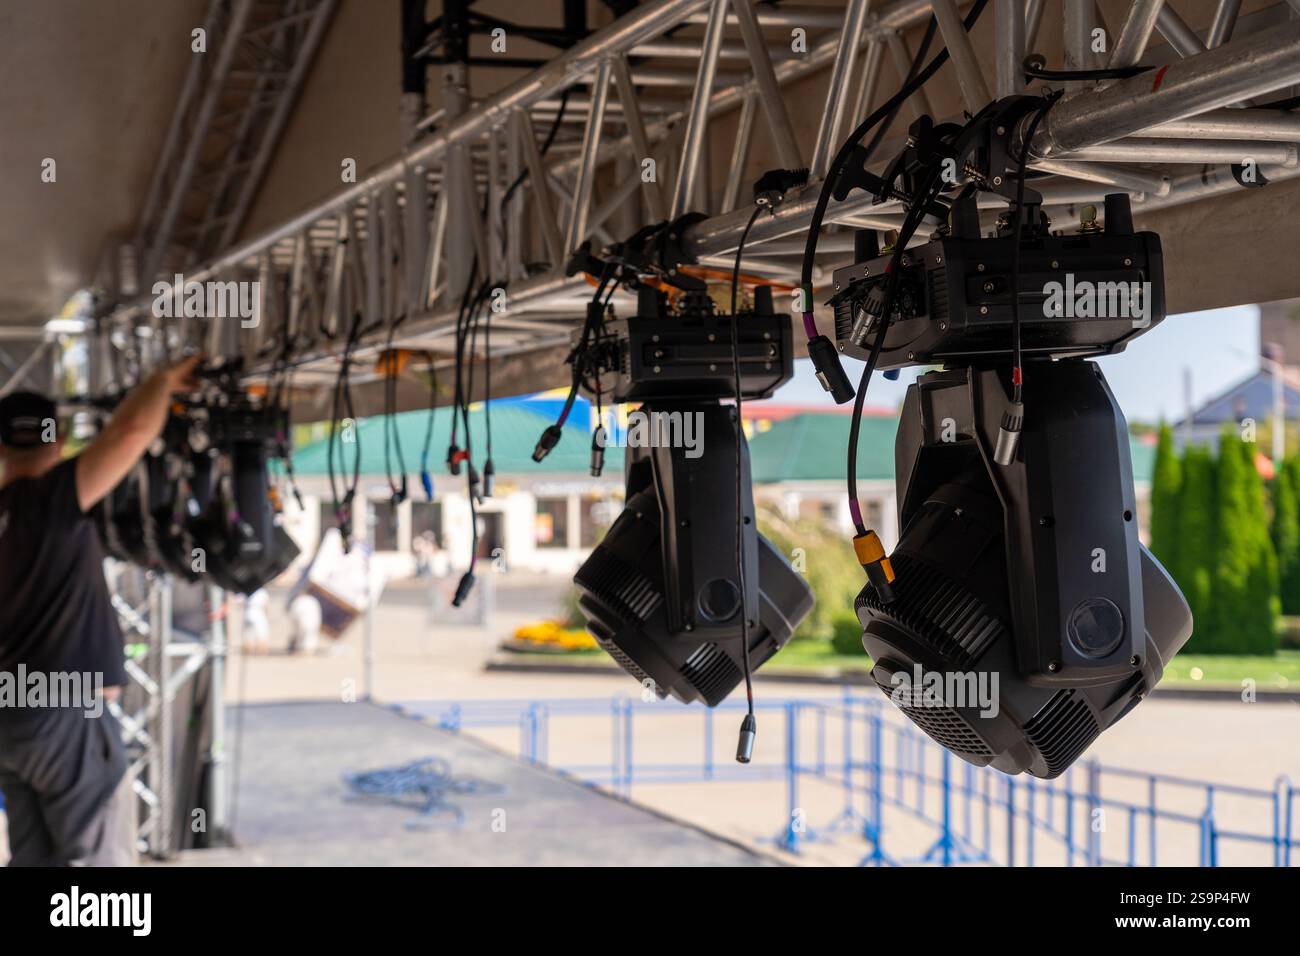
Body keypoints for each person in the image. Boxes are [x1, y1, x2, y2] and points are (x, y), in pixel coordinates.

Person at [0, 355, 200, 866]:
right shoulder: (53, 502)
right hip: (64, 714)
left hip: (10, 719)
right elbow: (130, 431)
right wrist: (160, 383)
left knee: (36, 857)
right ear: (58, 441)